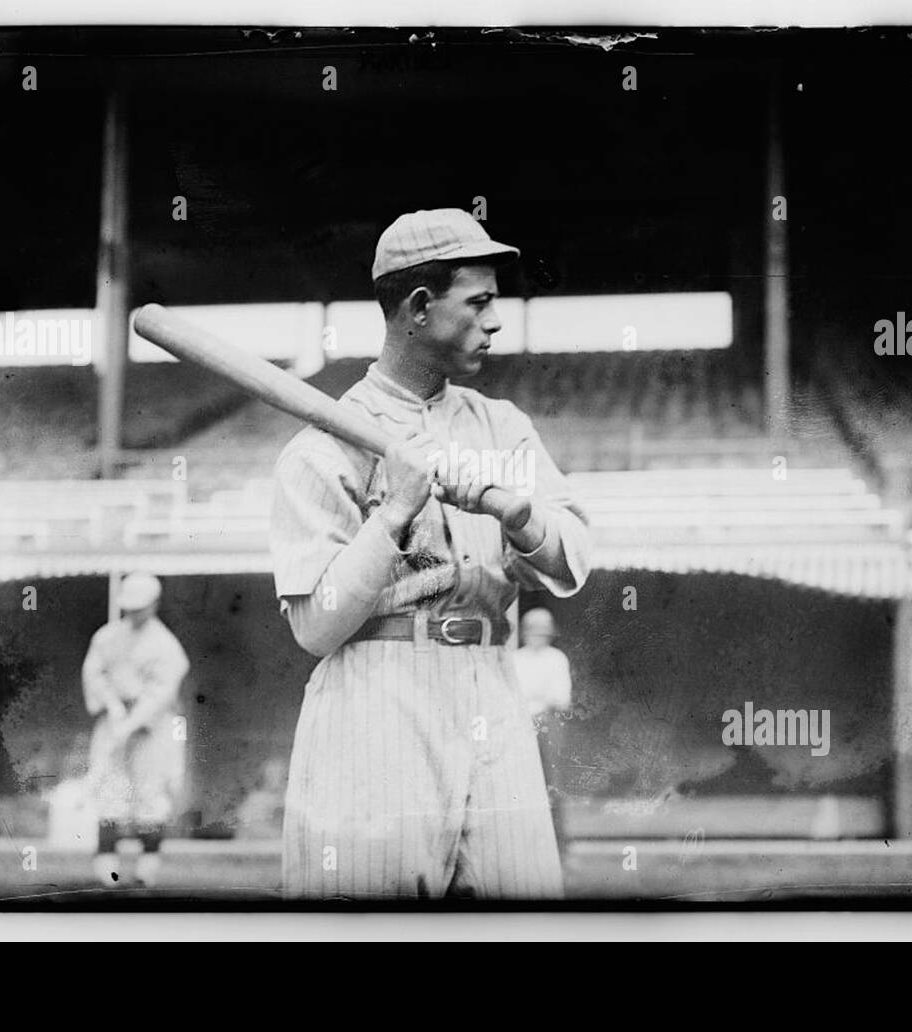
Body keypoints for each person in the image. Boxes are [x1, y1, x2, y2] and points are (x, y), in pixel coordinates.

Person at [270, 208, 592, 899]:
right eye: (478, 303)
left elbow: (572, 563)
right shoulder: (321, 449)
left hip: (490, 682)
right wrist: (393, 513)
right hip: (377, 696)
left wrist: (516, 510)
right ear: (419, 307)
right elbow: (316, 627)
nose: (495, 320)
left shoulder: (504, 428)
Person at [82, 572, 190, 887]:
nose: (133, 613)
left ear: (154, 605)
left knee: (150, 791)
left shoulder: (166, 645)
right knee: (110, 790)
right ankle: (107, 866)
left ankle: (147, 867)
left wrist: (132, 723)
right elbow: (95, 675)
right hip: (114, 719)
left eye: (139, 607)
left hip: (152, 725)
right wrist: (114, 708)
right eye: (128, 606)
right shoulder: (107, 636)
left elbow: (161, 693)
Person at [513, 607, 574, 854]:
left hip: (547, 725)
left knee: (551, 783)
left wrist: (535, 698)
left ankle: (558, 845)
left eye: (542, 632)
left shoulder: (556, 658)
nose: (536, 636)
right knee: (519, 783)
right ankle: (524, 844)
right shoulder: (515, 659)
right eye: (532, 631)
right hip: (519, 724)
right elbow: (512, 696)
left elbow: (560, 698)